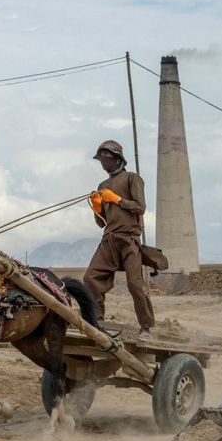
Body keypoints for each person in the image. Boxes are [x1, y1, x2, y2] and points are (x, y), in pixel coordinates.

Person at [83, 139, 155, 341]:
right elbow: (101, 223)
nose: (103, 163)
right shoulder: (102, 185)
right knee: (90, 278)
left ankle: (146, 327)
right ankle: (96, 321)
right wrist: (97, 208)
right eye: (101, 160)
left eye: (106, 159)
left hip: (129, 239)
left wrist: (117, 199)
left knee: (134, 284)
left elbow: (140, 207)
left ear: (117, 159)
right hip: (109, 240)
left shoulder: (133, 178)